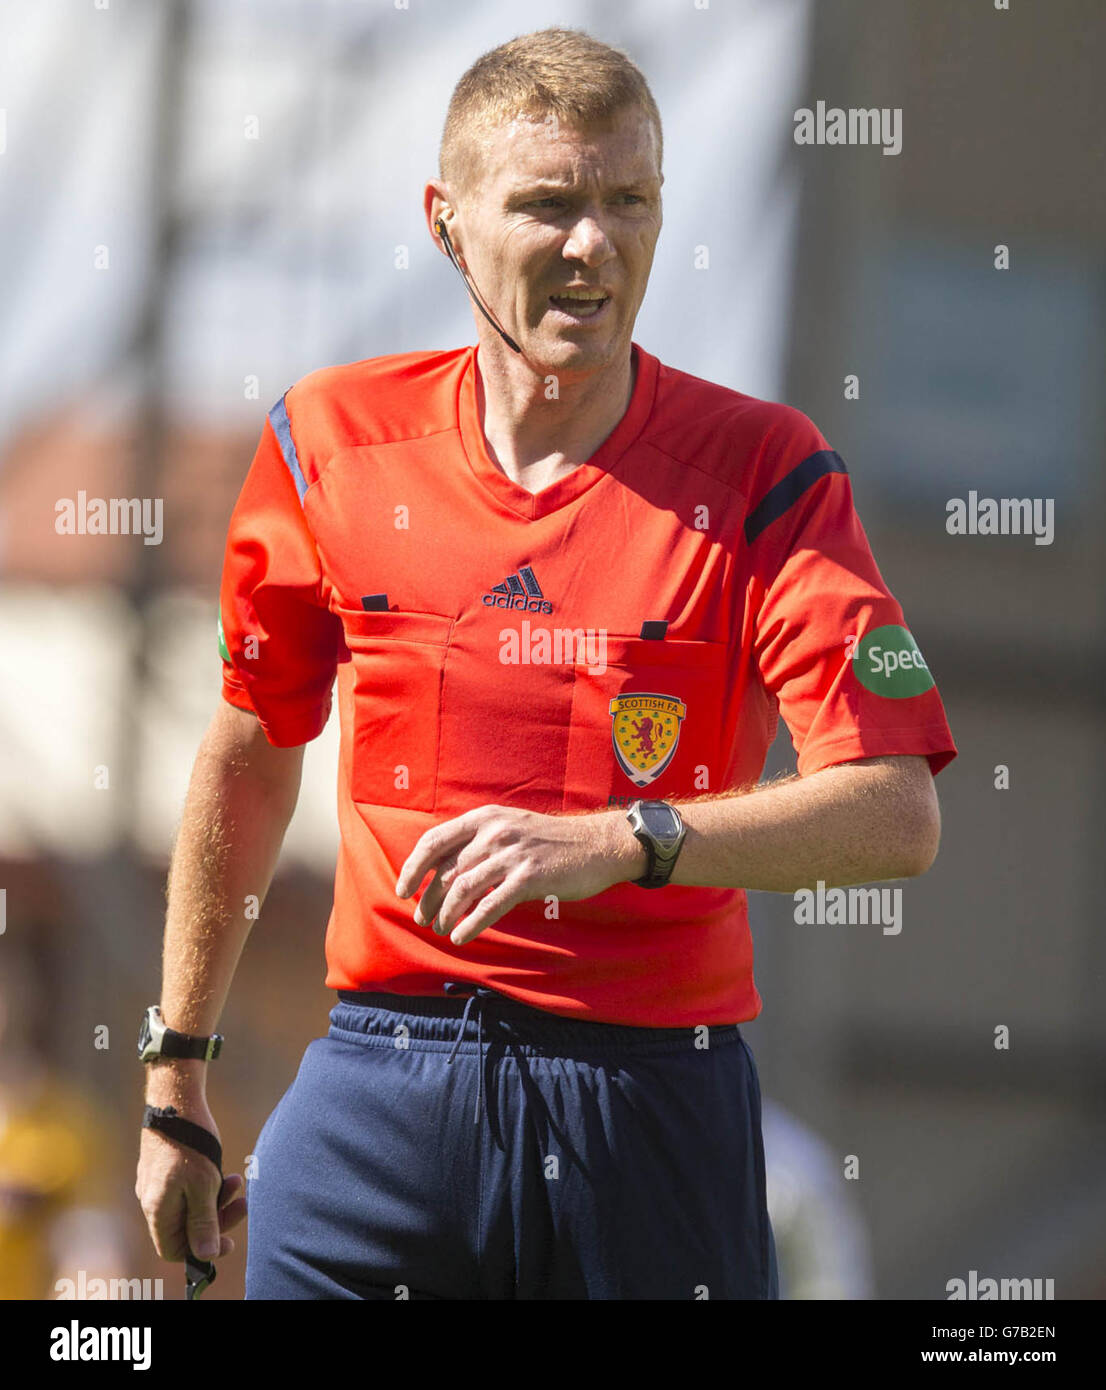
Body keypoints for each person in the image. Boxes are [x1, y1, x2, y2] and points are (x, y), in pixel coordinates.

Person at [135, 27, 956, 1300]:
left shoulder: (764, 472)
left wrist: (624, 839)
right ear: (446, 221)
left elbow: (896, 813)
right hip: (378, 1093)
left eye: (628, 201)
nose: (594, 244)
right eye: (548, 204)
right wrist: (176, 1071)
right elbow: (250, 751)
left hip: (650, 1098)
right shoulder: (325, 441)